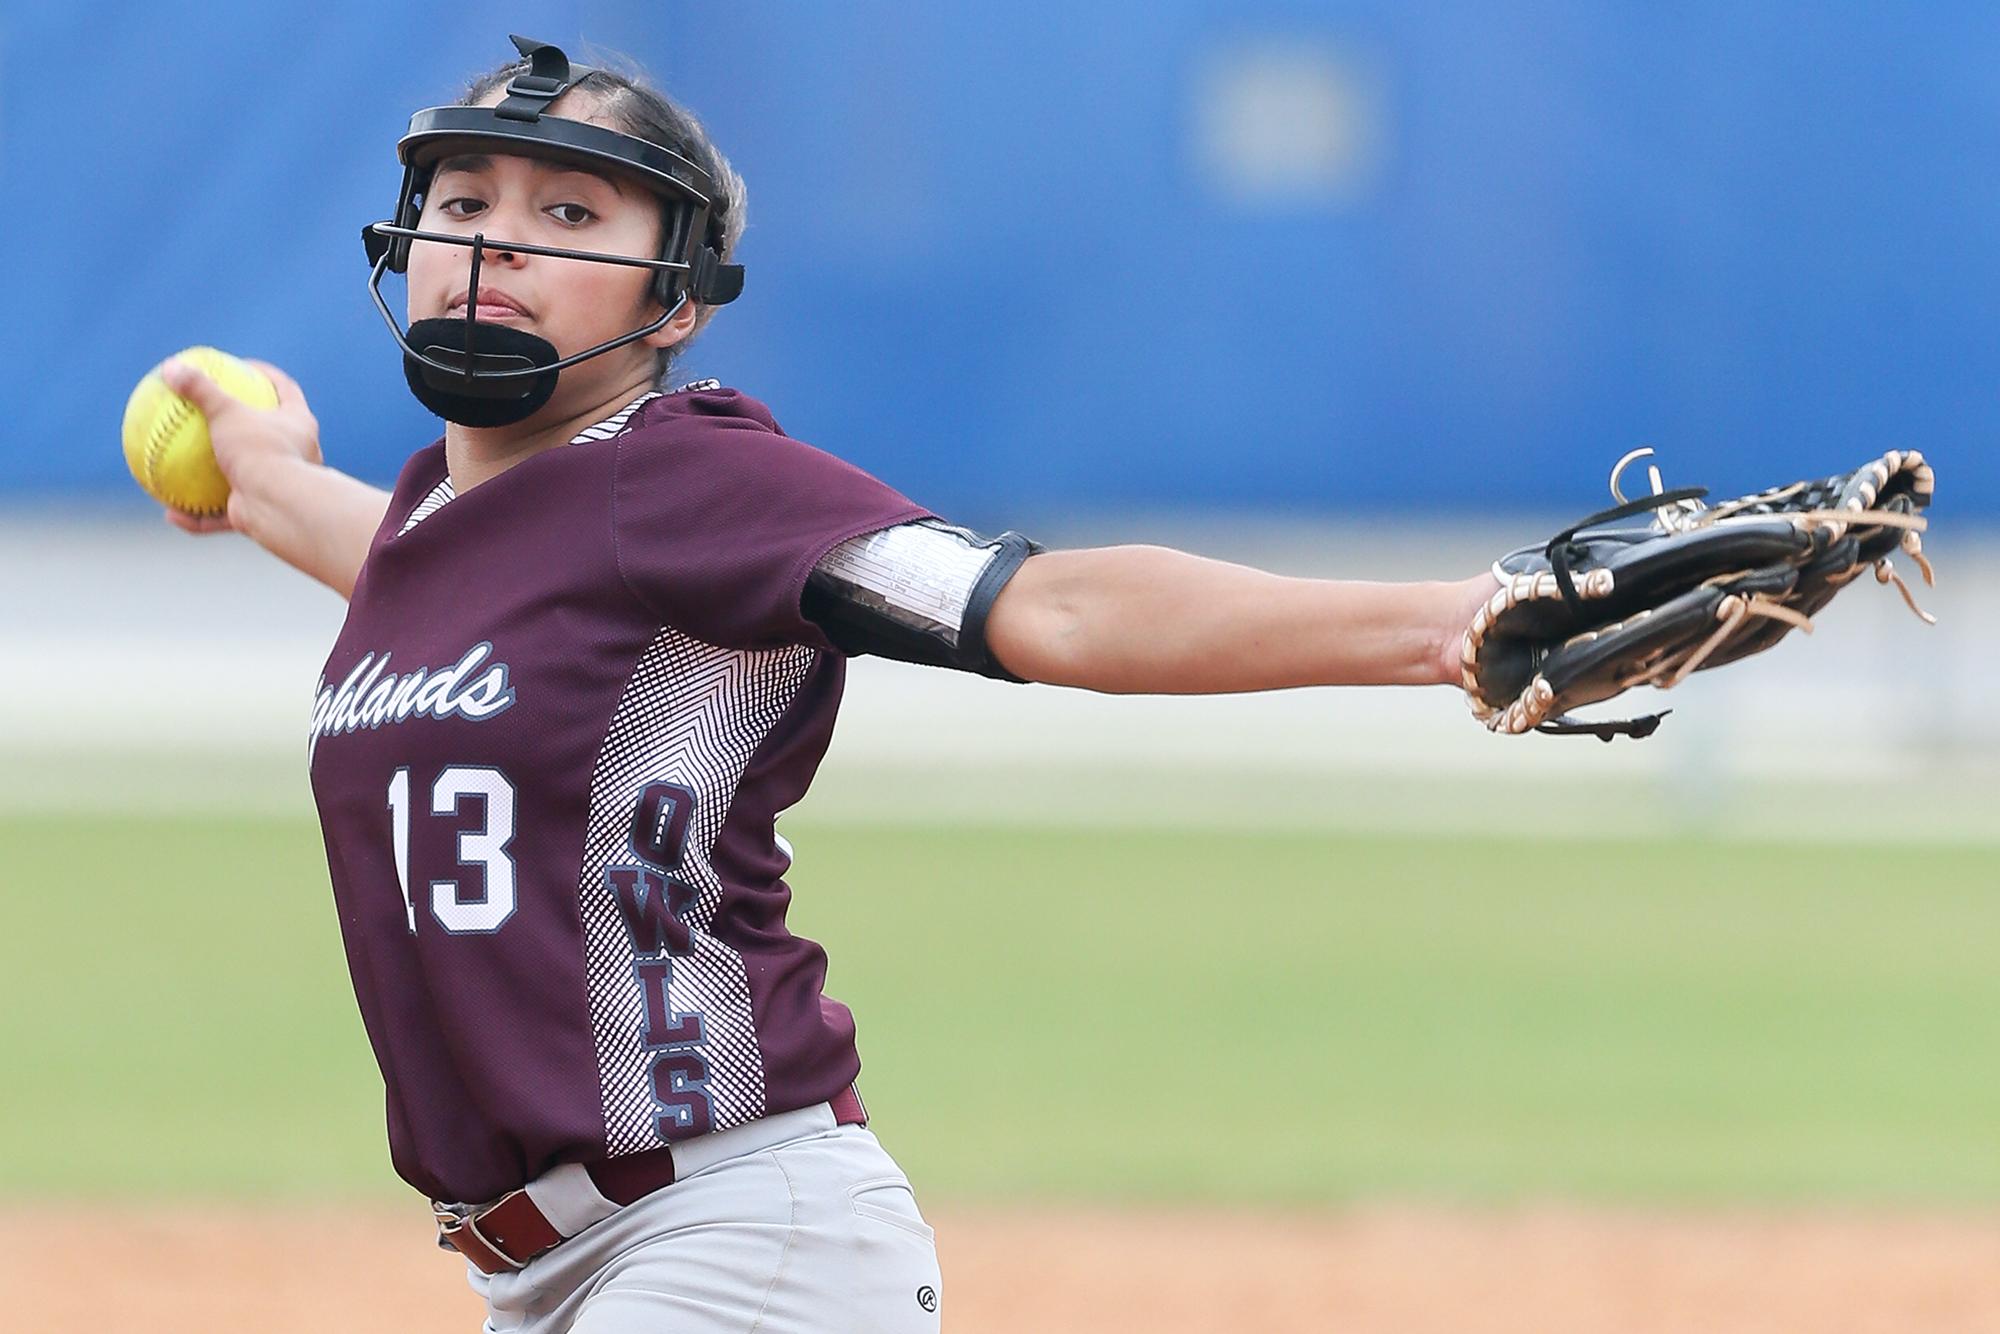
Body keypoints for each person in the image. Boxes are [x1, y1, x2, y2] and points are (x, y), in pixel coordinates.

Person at [158, 35, 1499, 1334]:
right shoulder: (438, 533)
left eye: (570, 209)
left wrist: (1447, 624)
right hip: (552, 1274)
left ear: (674, 297)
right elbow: (368, 543)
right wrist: (259, 462)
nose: (500, 236)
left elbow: (1053, 608)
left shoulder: (681, 481)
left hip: (734, 1245)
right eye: (466, 199)